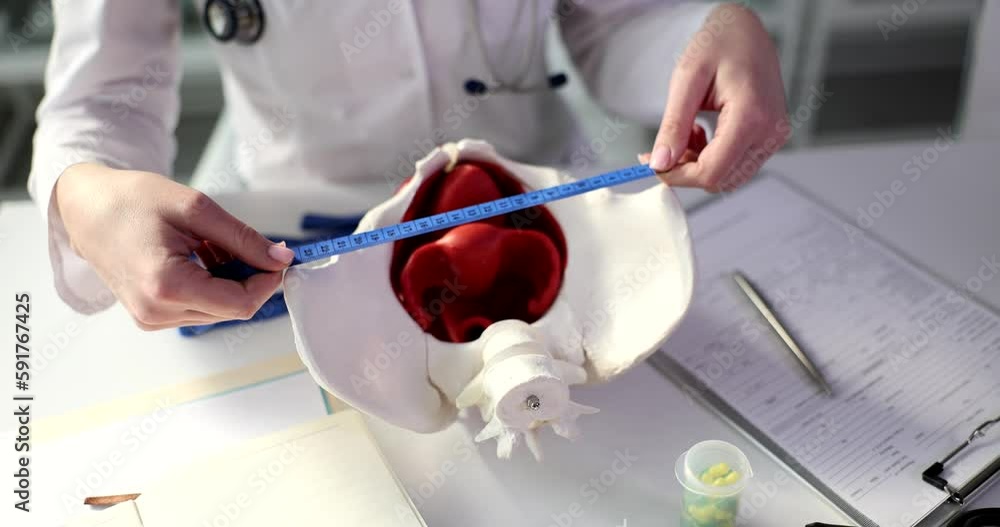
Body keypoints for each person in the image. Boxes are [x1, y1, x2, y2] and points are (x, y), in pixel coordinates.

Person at [28, 1, 787, 330]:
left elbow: (621, 19)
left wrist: (704, 34)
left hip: (532, 187)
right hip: (293, 203)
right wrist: (86, 191)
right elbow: (101, 95)